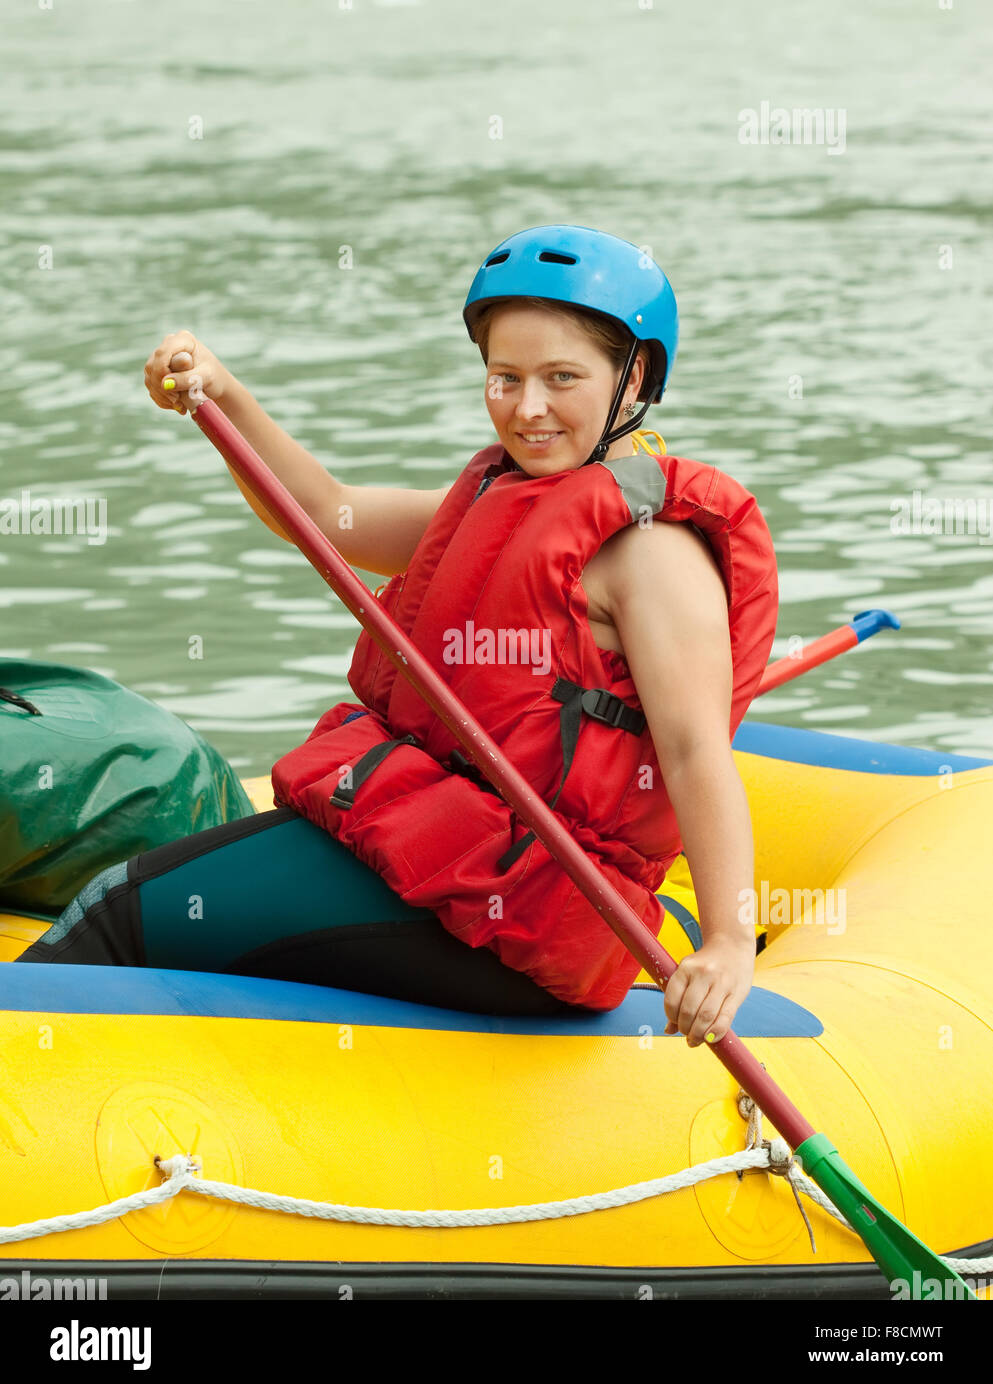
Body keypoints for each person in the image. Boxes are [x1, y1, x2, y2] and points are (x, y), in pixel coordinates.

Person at [18, 225, 778, 1047]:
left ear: (635, 380)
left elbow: (695, 753)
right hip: (438, 856)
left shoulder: (653, 556)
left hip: (519, 917)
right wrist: (221, 393)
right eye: (504, 377)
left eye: (562, 378)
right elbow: (315, 515)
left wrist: (729, 944)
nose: (527, 408)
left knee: (118, 914)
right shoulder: (502, 498)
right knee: (154, 905)